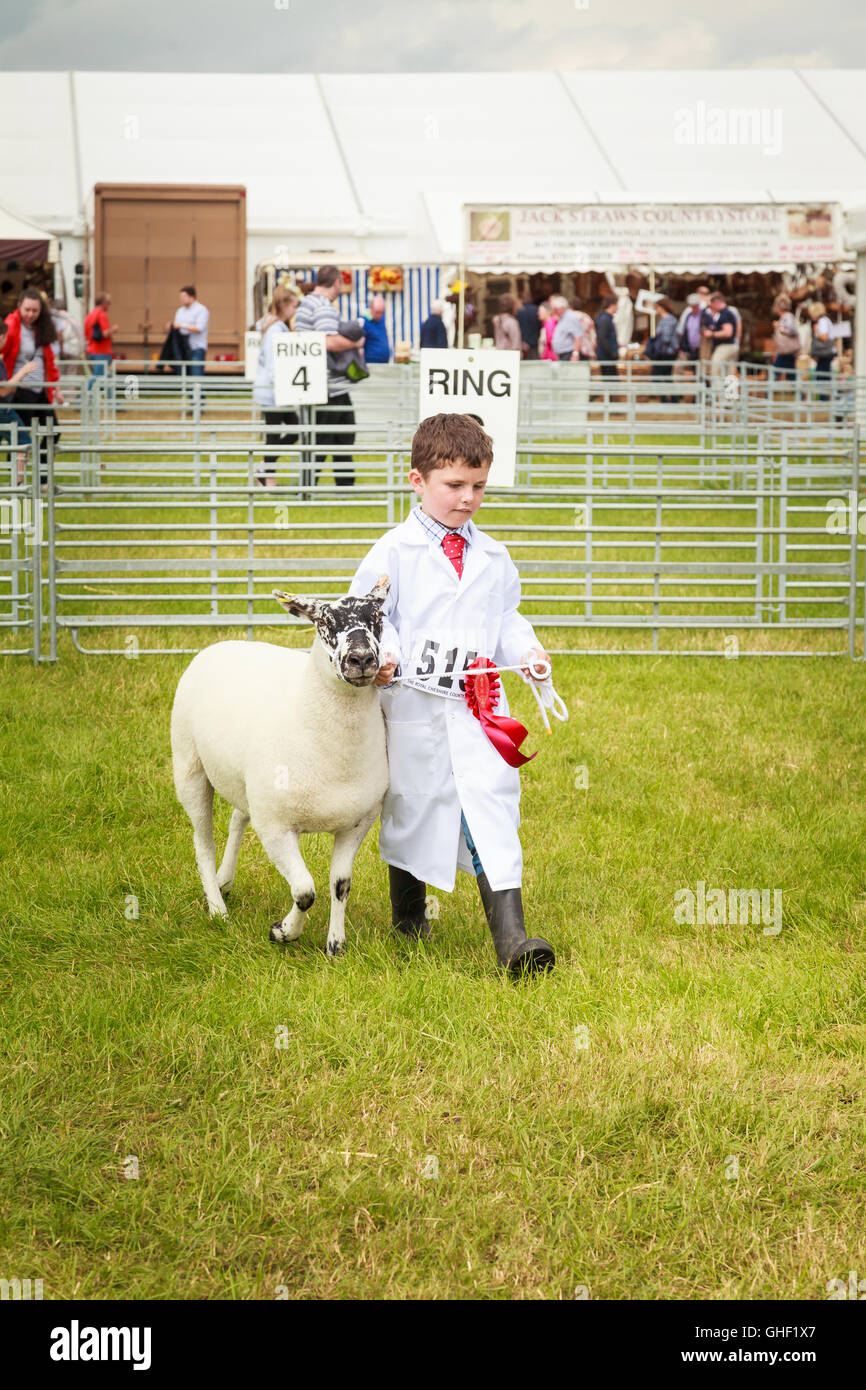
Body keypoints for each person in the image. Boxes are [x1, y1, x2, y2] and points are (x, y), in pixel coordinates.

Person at [348, 412, 556, 977]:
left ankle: (513, 940)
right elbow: (370, 615)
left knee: (490, 803)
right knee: (414, 807)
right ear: (417, 480)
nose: (468, 499)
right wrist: (384, 655)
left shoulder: (493, 556)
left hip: (481, 706)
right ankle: (409, 917)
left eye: (479, 486)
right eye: (455, 486)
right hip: (414, 705)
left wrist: (528, 654)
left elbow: (506, 617)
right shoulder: (393, 552)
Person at [293, 264, 363, 488]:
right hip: (329, 386)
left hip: (321, 384)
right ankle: (310, 486)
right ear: (336, 283)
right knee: (328, 439)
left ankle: (342, 485)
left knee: (339, 437)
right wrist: (356, 342)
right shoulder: (323, 307)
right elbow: (327, 340)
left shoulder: (306, 304)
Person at [2, 289, 64, 487]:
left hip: (41, 389)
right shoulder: (11, 326)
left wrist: (56, 388)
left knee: (51, 431)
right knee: (22, 437)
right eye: (27, 309)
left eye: (35, 311)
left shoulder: (42, 328)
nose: (30, 314)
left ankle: (42, 479)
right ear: (19, 306)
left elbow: (49, 361)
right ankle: (17, 481)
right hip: (20, 390)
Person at [252, 287, 299, 488]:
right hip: (274, 390)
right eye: (294, 306)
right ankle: (265, 470)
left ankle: (266, 468)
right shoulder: (275, 329)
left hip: (273, 389)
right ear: (284, 305)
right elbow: (273, 363)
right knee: (289, 431)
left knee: (285, 431)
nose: (295, 311)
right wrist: (282, 388)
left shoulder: (272, 325)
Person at [0, 318, 35, 483]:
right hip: (3, 410)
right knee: (24, 441)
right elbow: (3, 390)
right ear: (1, 337)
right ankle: (18, 483)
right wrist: (23, 372)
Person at [167, 285, 209, 378]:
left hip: (196, 348)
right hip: (183, 348)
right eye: (180, 297)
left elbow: (199, 328)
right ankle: (187, 393)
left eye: (183, 297)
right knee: (185, 375)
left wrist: (181, 325)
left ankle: (198, 393)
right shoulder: (180, 311)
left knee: (196, 376)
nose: (181, 299)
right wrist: (172, 325)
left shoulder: (201, 310)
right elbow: (178, 327)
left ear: (192, 297)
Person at [645, 297, 679, 403]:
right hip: (667, 352)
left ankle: (666, 399)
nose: (656, 310)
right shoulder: (667, 319)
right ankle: (672, 399)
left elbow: (666, 338)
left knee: (657, 376)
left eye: (657, 308)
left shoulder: (667, 320)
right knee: (666, 377)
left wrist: (658, 349)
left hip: (665, 353)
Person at [701, 291, 738, 380]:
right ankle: (727, 393)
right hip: (730, 346)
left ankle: (717, 393)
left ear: (716, 302)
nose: (711, 307)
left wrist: (712, 334)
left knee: (715, 371)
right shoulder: (727, 313)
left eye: (711, 304)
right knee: (728, 374)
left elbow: (728, 332)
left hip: (724, 346)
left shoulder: (725, 314)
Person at [84, 293, 118, 385]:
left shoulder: (89, 315)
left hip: (92, 350)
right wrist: (113, 330)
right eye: (109, 303)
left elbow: (86, 334)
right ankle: (83, 396)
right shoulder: (102, 314)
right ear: (103, 303)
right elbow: (105, 333)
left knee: (108, 376)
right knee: (97, 377)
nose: (109, 305)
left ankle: (111, 399)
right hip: (102, 351)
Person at [808, 301, 835, 400]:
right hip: (828, 352)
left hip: (825, 353)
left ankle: (823, 398)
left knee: (822, 375)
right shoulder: (826, 320)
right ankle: (829, 396)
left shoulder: (822, 321)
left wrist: (816, 331)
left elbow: (824, 337)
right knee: (826, 376)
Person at [771, 293, 800, 383]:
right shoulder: (785, 317)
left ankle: (768, 394)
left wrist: (779, 328)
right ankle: (800, 396)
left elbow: (791, 330)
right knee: (792, 376)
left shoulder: (788, 317)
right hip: (786, 352)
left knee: (773, 374)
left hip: (786, 352)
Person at [550, 295, 584, 360]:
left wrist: (575, 354)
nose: (554, 311)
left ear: (561, 308)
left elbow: (578, 336)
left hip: (569, 354)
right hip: (563, 354)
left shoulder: (571, 317)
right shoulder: (562, 318)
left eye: (556, 309)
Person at [361, 294, 391, 363]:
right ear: (371, 308)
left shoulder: (381, 319)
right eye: (377, 312)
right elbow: (359, 344)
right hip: (371, 363)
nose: (380, 315)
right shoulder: (363, 321)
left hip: (384, 363)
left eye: (382, 312)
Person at [595, 295, 619, 379]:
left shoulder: (606, 319)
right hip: (606, 356)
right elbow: (602, 338)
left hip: (607, 356)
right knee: (610, 380)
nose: (618, 307)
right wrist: (612, 353)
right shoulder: (605, 319)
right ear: (612, 305)